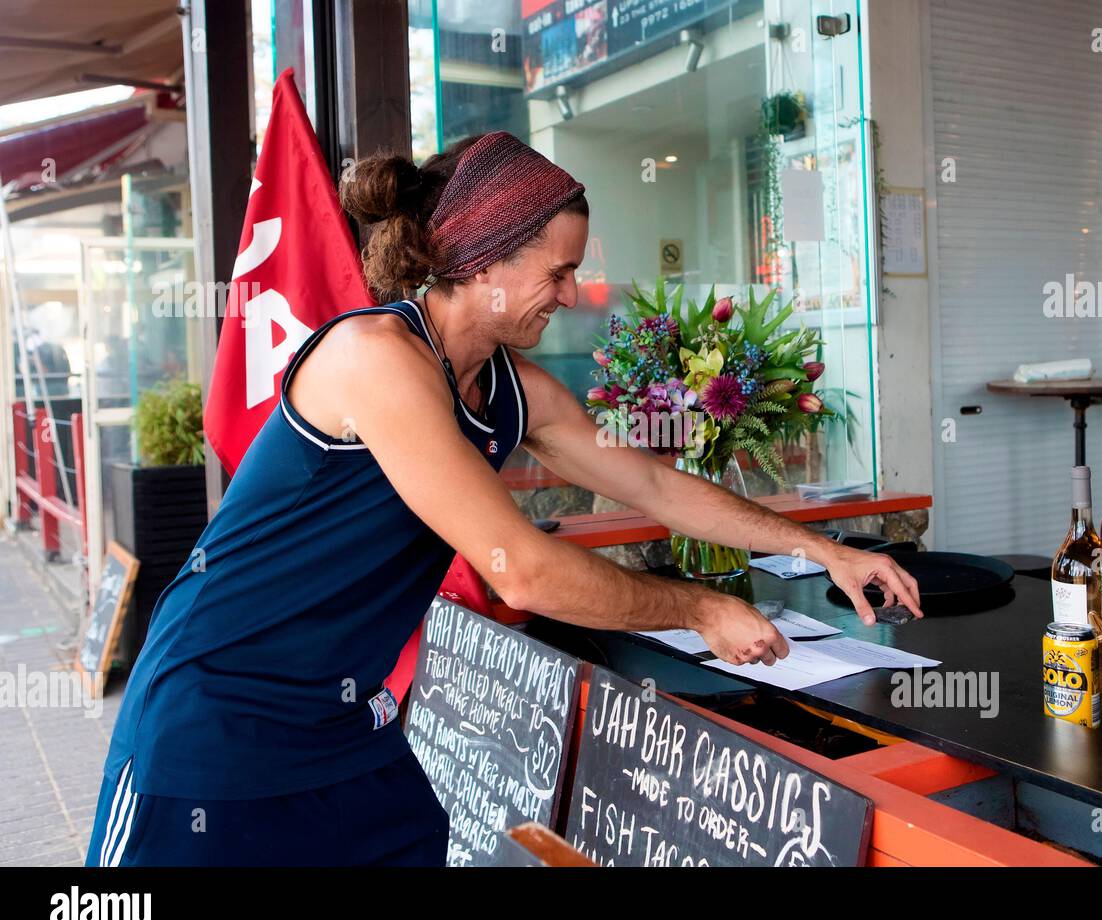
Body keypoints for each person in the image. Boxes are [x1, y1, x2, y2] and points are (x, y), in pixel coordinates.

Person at [84, 131, 920, 867]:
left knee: (410, 836)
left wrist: (826, 550)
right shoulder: (374, 357)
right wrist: (699, 609)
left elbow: (655, 483)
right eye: (557, 273)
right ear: (482, 258)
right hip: (211, 722)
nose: (570, 294)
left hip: (338, 728)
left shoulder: (512, 390)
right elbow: (518, 569)